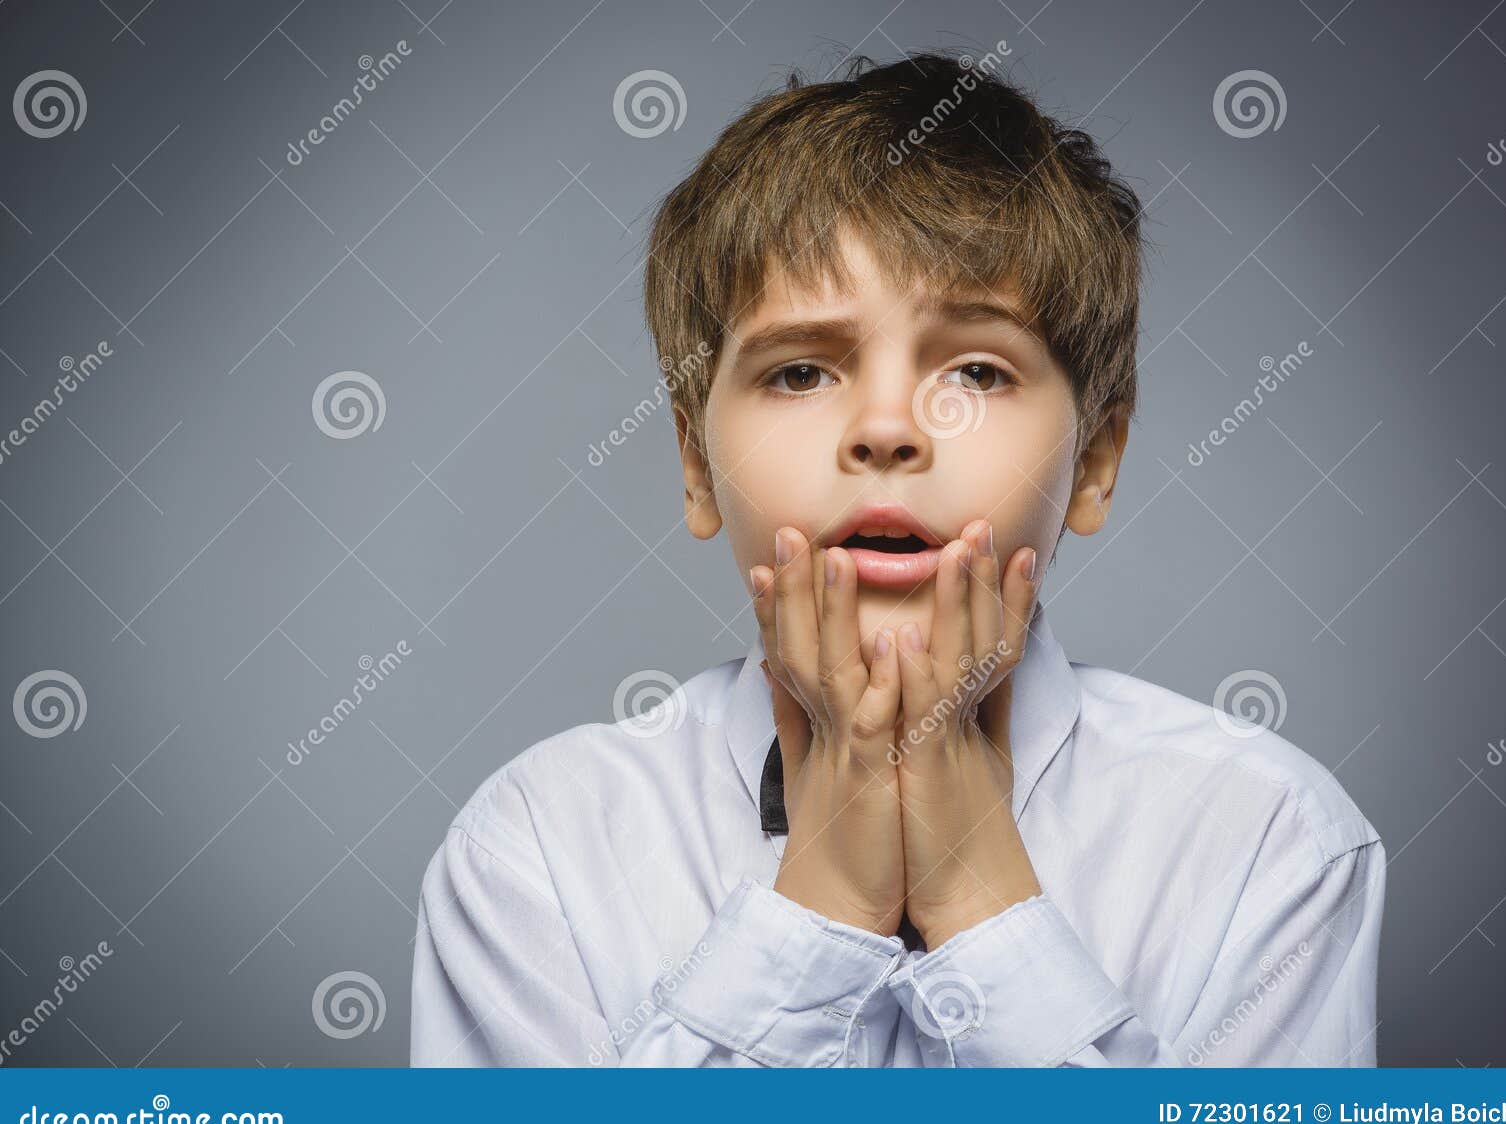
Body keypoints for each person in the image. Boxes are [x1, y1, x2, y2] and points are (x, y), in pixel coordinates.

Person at [409, 51, 1384, 1067]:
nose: (885, 429)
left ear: (1093, 460)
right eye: (798, 371)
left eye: (974, 368)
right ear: (697, 465)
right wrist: (823, 901)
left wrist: (976, 897)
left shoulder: (1271, 839)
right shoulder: (537, 850)